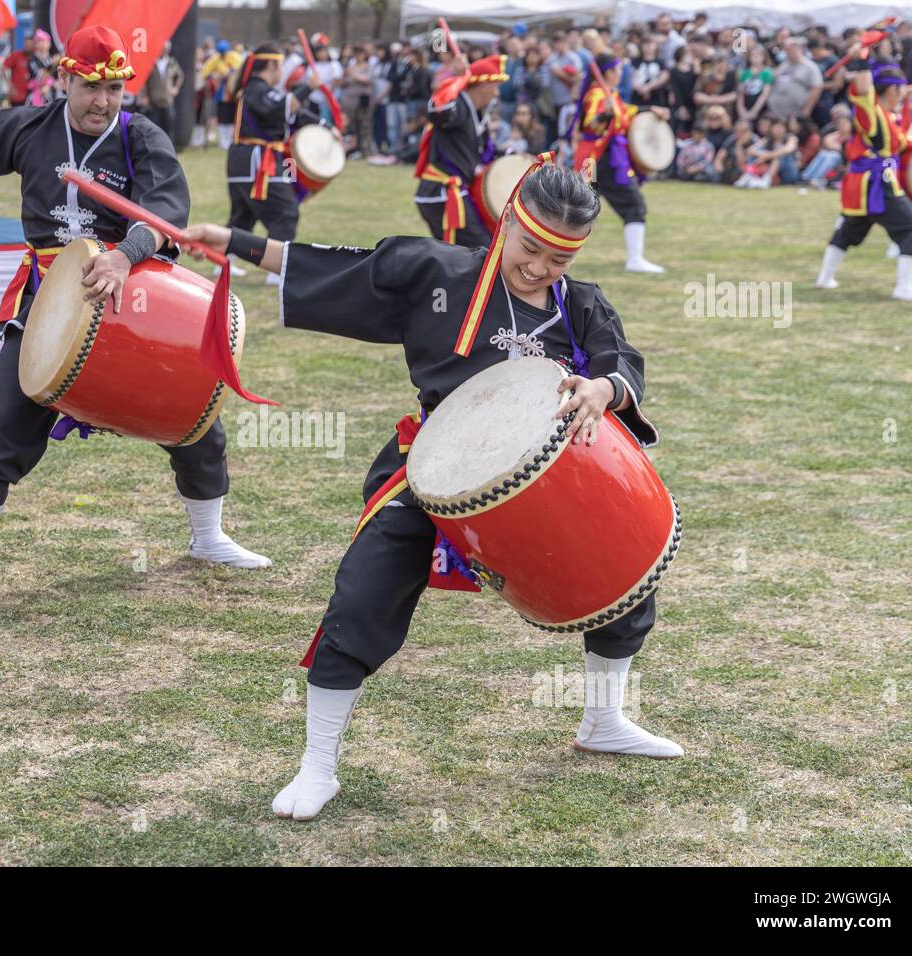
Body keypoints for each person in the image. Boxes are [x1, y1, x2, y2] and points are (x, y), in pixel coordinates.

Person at [181, 156, 681, 823]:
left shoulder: (583, 305)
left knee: (624, 573)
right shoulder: (438, 274)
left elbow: (624, 368)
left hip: (547, 478)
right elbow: (341, 267)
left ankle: (604, 720)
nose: (538, 269)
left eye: (557, 261)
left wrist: (604, 388)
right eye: (530, 249)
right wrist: (238, 243)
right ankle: (317, 765)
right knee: (364, 592)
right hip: (434, 467)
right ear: (508, 221)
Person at [0, 24, 272, 606]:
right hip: (49, 297)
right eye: (92, 87)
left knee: (194, 417)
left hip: (130, 297)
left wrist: (126, 254)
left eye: (115, 89)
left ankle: (208, 537)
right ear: (64, 78)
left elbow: (165, 209)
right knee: (0, 430)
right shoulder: (28, 127)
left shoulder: (142, 137)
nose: (103, 101)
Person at [815, 57, 912, 301]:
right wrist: (861, 58)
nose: (904, 93)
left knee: (849, 230)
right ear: (892, 88)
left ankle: (825, 278)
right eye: (902, 88)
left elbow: (900, 143)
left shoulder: (887, 116)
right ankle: (904, 287)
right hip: (876, 183)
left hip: (863, 184)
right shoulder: (872, 112)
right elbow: (861, 90)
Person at [225, 43, 328, 284]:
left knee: (243, 217)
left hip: (246, 161)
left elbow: (294, 114)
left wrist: (326, 126)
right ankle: (276, 270)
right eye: (281, 65)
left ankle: (224, 261)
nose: (283, 70)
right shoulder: (257, 89)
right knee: (285, 212)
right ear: (271, 65)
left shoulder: (257, 90)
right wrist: (308, 88)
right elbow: (282, 107)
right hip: (258, 162)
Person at [571, 51, 668, 273]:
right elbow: (592, 124)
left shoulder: (610, 94)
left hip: (599, 159)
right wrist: (604, 114)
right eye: (617, 69)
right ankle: (635, 259)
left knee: (581, 208)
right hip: (601, 159)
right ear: (608, 72)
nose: (621, 73)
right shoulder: (597, 95)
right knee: (631, 204)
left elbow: (627, 111)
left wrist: (650, 109)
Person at [413, 54, 508, 246]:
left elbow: (484, 153)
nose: (497, 94)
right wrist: (456, 77)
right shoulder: (459, 108)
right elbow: (438, 110)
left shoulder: (476, 112)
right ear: (483, 85)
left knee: (480, 247)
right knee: (481, 250)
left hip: (455, 191)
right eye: (495, 86)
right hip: (441, 193)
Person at [143, 39, 184, 139]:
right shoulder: (151, 62)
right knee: (153, 125)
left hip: (167, 100)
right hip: (154, 100)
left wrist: (176, 88)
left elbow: (180, 76)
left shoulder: (172, 62)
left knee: (169, 124)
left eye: (165, 49)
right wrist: (145, 95)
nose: (164, 50)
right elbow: (144, 79)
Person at [1, 36, 32, 109]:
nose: (28, 47)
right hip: (18, 96)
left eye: (30, 45)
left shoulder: (35, 58)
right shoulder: (17, 56)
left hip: (32, 96)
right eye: (26, 45)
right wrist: (10, 86)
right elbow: (2, 69)